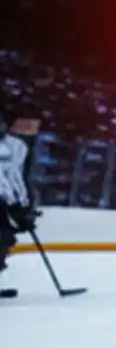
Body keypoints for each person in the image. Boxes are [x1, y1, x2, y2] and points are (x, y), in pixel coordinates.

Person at [0, 113, 38, 298]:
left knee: (5, 239)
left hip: (6, 201)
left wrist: (23, 205)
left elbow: (15, 177)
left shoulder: (16, 147)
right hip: (4, 200)